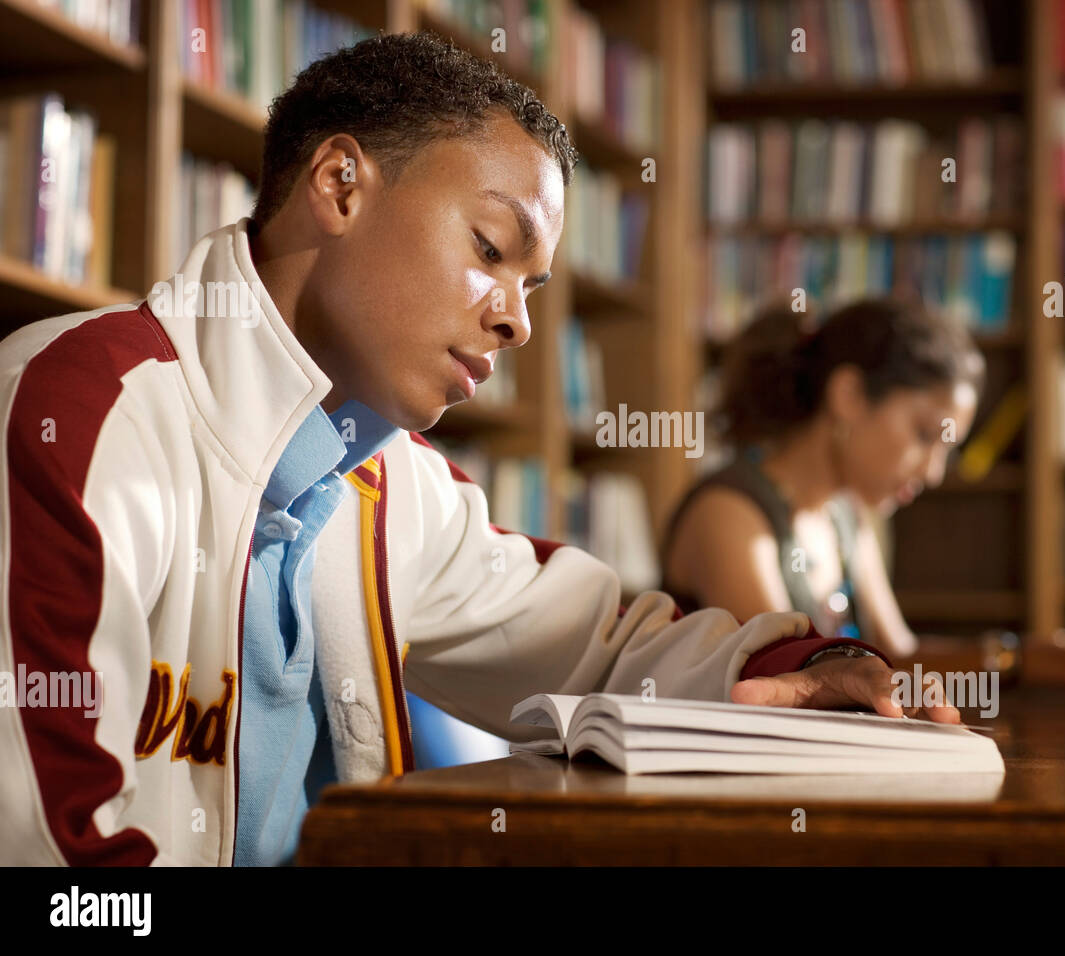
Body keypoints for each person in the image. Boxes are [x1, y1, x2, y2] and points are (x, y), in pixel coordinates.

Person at [0, 34, 956, 868]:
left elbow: (604, 647)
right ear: (341, 185)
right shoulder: (80, 411)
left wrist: (821, 661)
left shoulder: (388, 482)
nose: (519, 322)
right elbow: (57, 861)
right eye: (493, 249)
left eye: (534, 285)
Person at [662, 298, 1065, 696]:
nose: (935, 471)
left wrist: (1045, 658)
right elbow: (791, 674)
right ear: (849, 395)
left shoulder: (844, 515)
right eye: (926, 435)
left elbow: (897, 654)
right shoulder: (730, 516)